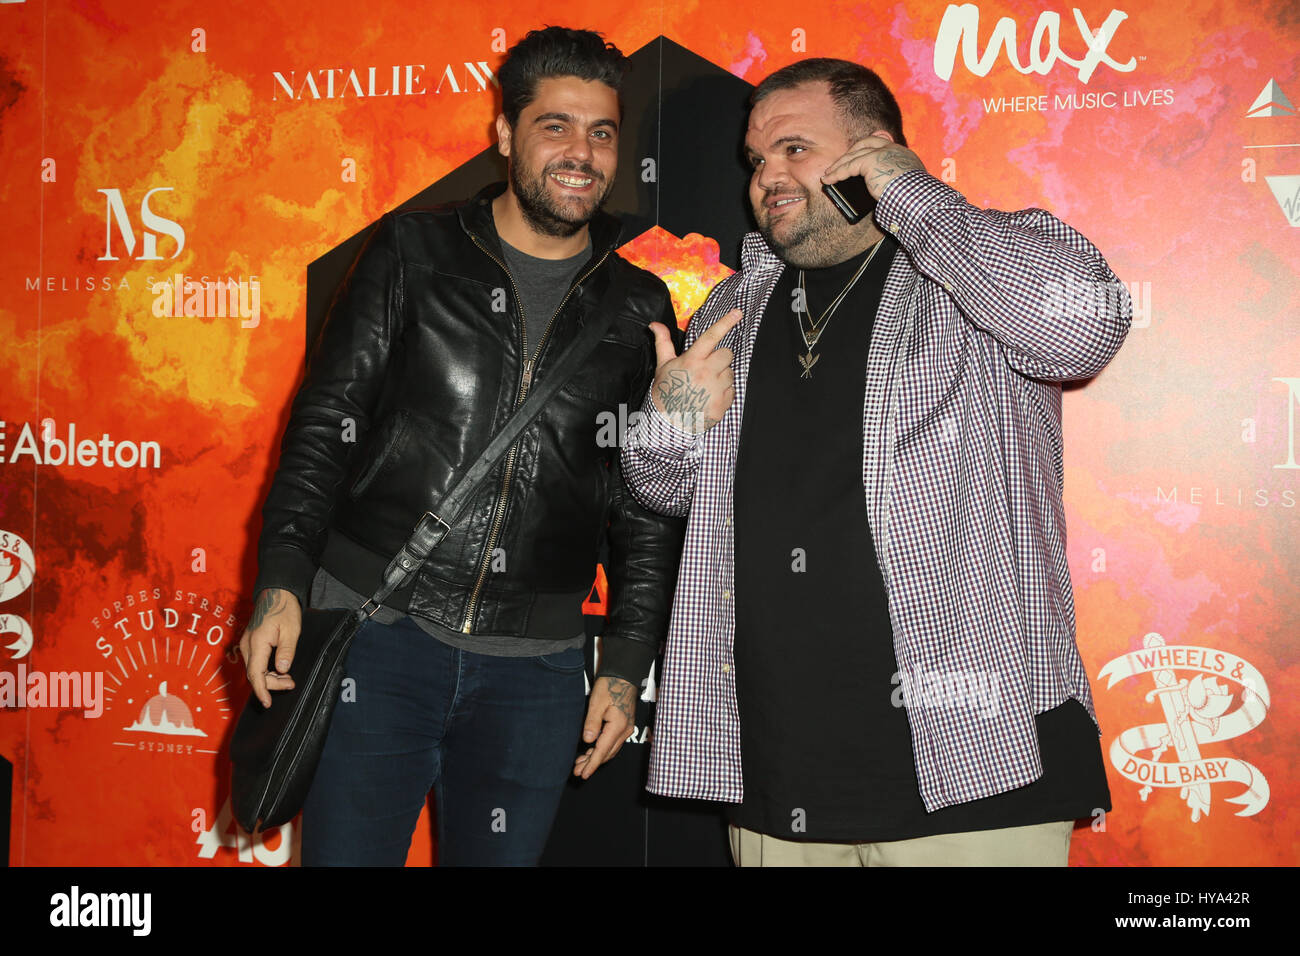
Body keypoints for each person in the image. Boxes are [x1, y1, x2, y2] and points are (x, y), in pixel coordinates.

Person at [621, 58, 1130, 866]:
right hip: (776, 759)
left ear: (876, 151)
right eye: (757, 160)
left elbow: (1080, 330)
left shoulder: (974, 266)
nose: (768, 177)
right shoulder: (733, 304)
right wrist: (670, 416)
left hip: (975, 755)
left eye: (794, 149)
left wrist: (912, 195)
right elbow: (661, 489)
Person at [239, 26, 683, 866]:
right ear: (506, 135)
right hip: (379, 637)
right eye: (555, 126)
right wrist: (283, 578)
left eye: (602, 132)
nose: (581, 153)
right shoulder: (414, 251)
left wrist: (625, 661)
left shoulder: (639, 304)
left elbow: (645, 500)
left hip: (537, 670)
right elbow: (322, 428)